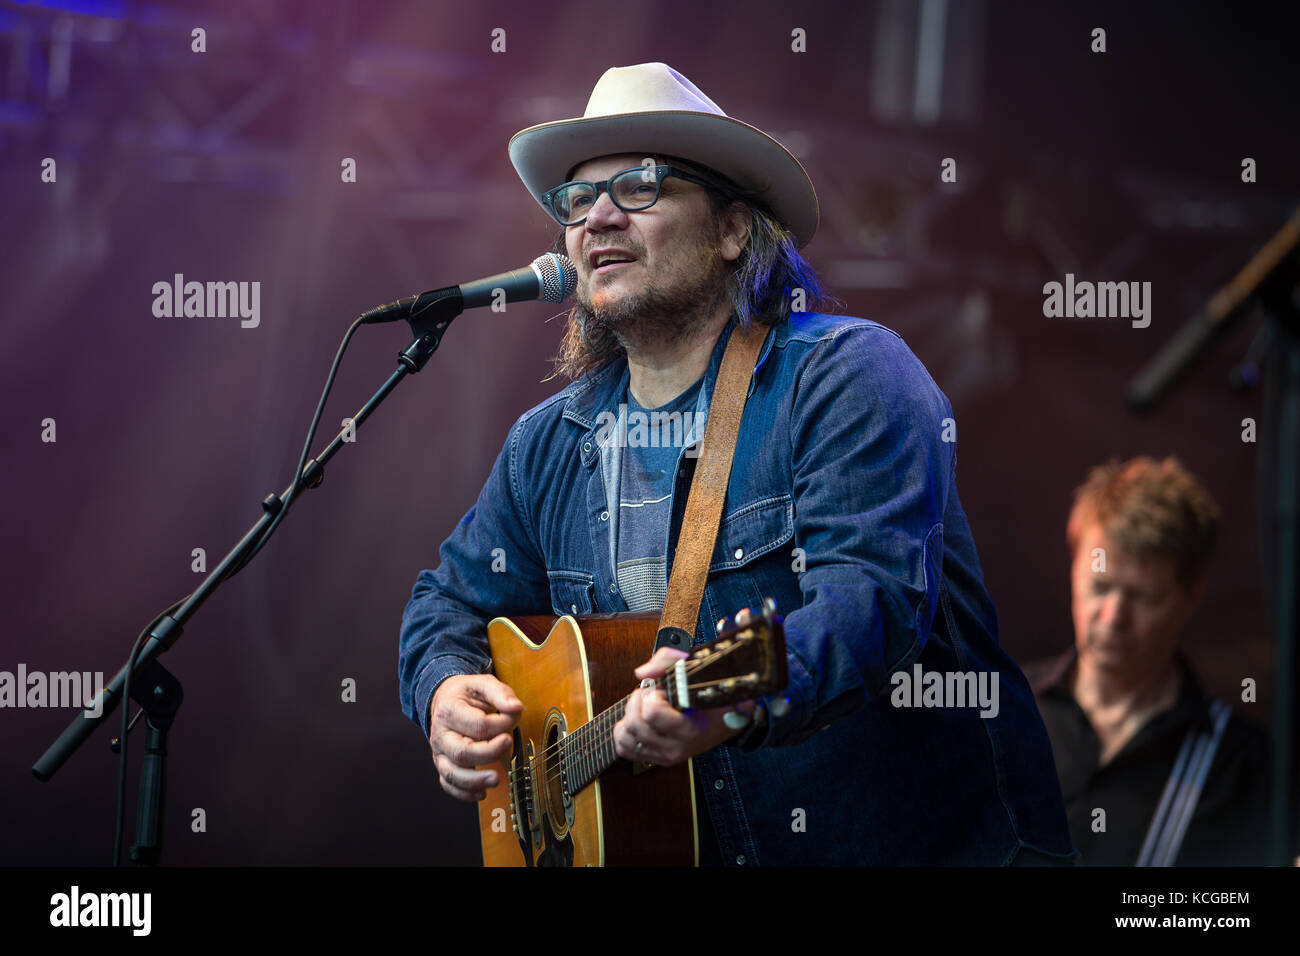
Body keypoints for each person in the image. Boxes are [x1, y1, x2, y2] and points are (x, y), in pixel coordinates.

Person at [399, 62, 1075, 865]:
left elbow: (871, 599)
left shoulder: (847, 377)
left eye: (641, 187)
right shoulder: (547, 444)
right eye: (577, 202)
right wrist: (444, 689)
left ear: (731, 230)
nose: (597, 219)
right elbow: (446, 602)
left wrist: (733, 699)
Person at [1023, 456, 1275, 865]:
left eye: (1143, 597)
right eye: (1099, 587)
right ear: (1073, 566)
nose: (1112, 618)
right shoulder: (1002, 713)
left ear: (1191, 596)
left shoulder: (1244, 769)